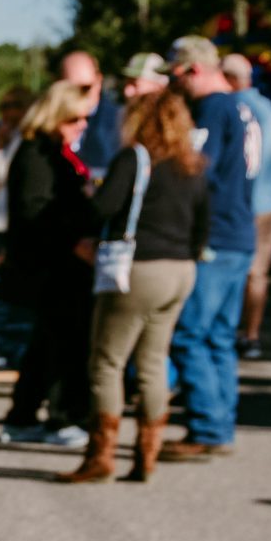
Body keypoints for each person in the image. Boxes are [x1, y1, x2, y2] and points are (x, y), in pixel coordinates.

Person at [59, 90, 210, 484]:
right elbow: (202, 226)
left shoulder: (136, 158)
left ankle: (101, 457)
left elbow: (100, 209)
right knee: (154, 360)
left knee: (107, 362)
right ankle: (147, 454)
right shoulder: (191, 165)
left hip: (138, 270)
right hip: (180, 271)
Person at [161, 36, 255, 462]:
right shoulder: (242, 105)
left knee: (190, 334)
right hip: (239, 231)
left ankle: (207, 426)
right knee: (218, 336)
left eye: (176, 76)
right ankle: (220, 423)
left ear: (194, 70)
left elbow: (199, 171)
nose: (173, 85)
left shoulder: (214, 110)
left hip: (215, 235)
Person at [0, 80, 100, 447]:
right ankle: (60, 418)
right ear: (57, 115)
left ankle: (23, 416)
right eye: (76, 119)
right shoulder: (37, 153)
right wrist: (75, 242)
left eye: (86, 119)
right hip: (51, 266)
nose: (82, 126)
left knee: (46, 346)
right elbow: (36, 211)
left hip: (60, 264)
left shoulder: (53, 150)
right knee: (61, 346)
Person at [225, 54, 271, 359]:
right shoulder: (270, 110)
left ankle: (230, 332)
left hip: (241, 202)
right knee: (257, 273)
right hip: (267, 202)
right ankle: (252, 334)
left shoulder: (233, 109)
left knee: (232, 269)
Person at [0, 83, 36, 260]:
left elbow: (1, 174)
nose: (5, 112)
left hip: (8, 217)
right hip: (4, 215)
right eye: (3, 106)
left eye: (11, 106)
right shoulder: (15, 135)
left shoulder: (22, 139)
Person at [59, 48, 122, 171]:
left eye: (85, 88)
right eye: (70, 88)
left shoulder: (119, 122)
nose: (78, 94)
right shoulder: (48, 126)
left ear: (99, 80)